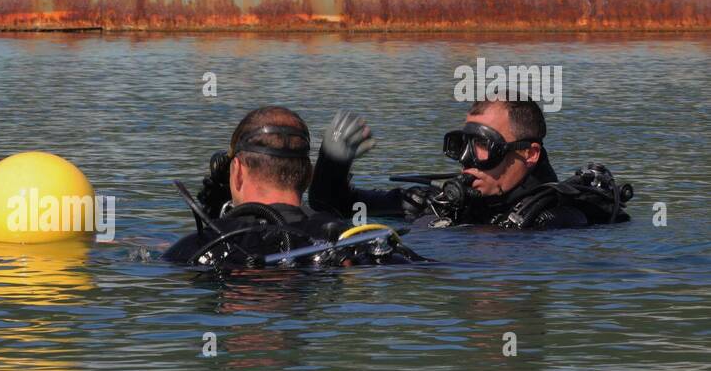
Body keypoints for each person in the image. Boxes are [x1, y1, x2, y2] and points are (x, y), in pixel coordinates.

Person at [308, 99, 632, 229]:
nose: (467, 162)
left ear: (530, 155)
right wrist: (333, 160)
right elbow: (333, 205)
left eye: (483, 147)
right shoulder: (442, 203)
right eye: (461, 147)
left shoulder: (555, 219)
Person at [166, 106, 419, 270]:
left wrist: (212, 227)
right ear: (308, 174)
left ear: (238, 171)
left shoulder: (199, 248)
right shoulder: (351, 241)